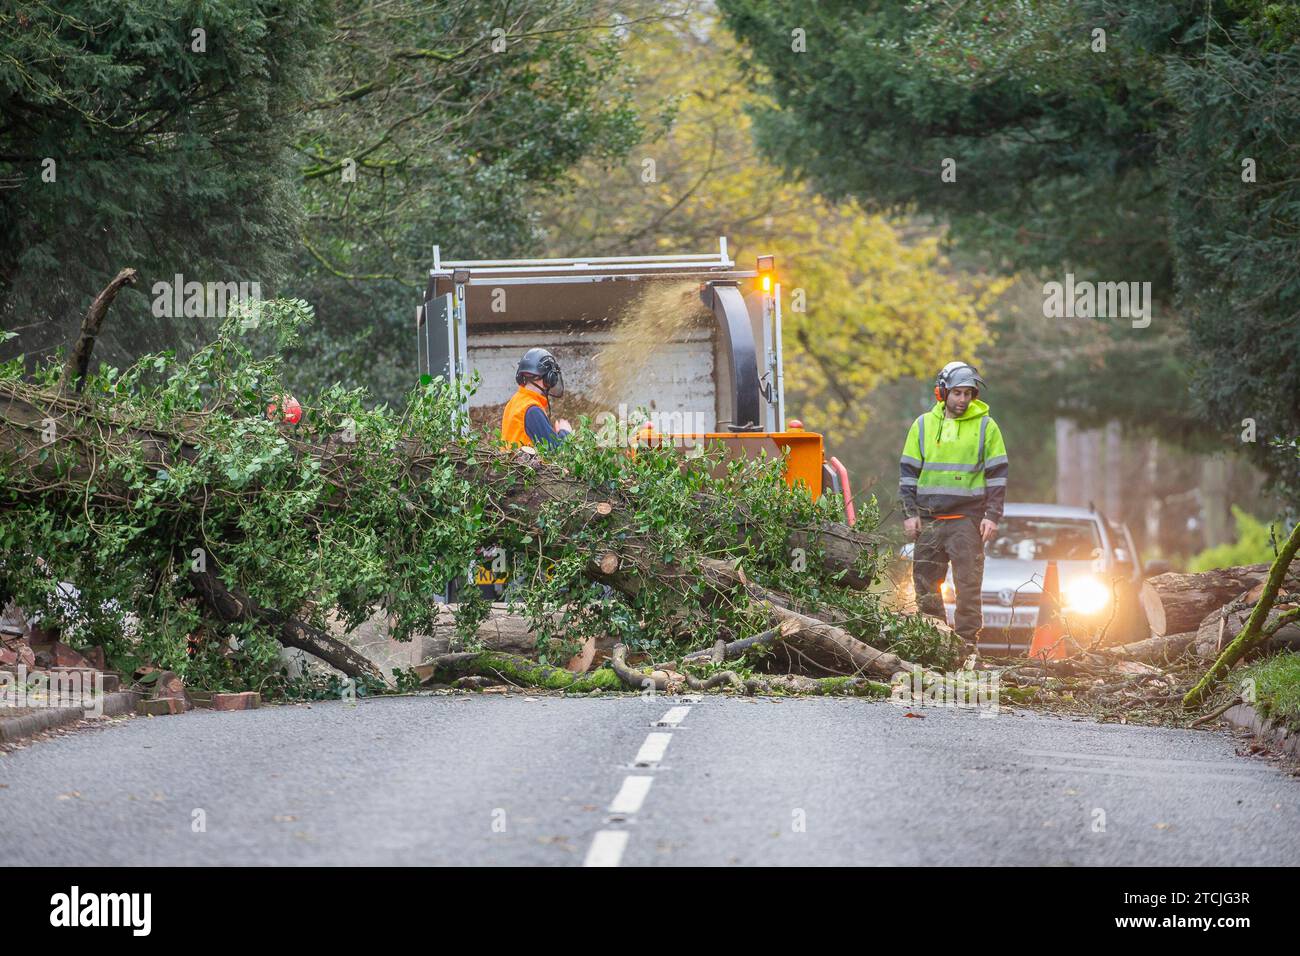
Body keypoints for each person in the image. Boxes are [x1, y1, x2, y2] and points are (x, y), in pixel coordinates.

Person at [899, 362, 1009, 652]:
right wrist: (910, 514)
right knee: (925, 585)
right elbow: (908, 473)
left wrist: (992, 516)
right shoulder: (923, 425)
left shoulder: (986, 426)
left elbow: (997, 475)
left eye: (967, 393)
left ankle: (965, 646)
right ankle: (934, 642)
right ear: (943, 392)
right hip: (930, 520)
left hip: (967, 519)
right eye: (957, 393)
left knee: (968, 586)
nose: (962, 400)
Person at [500, 348, 572, 451]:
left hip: (513, 465)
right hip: (526, 467)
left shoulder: (515, 402)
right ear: (549, 378)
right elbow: (555, 451)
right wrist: (565, 432)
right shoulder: (532, 410)